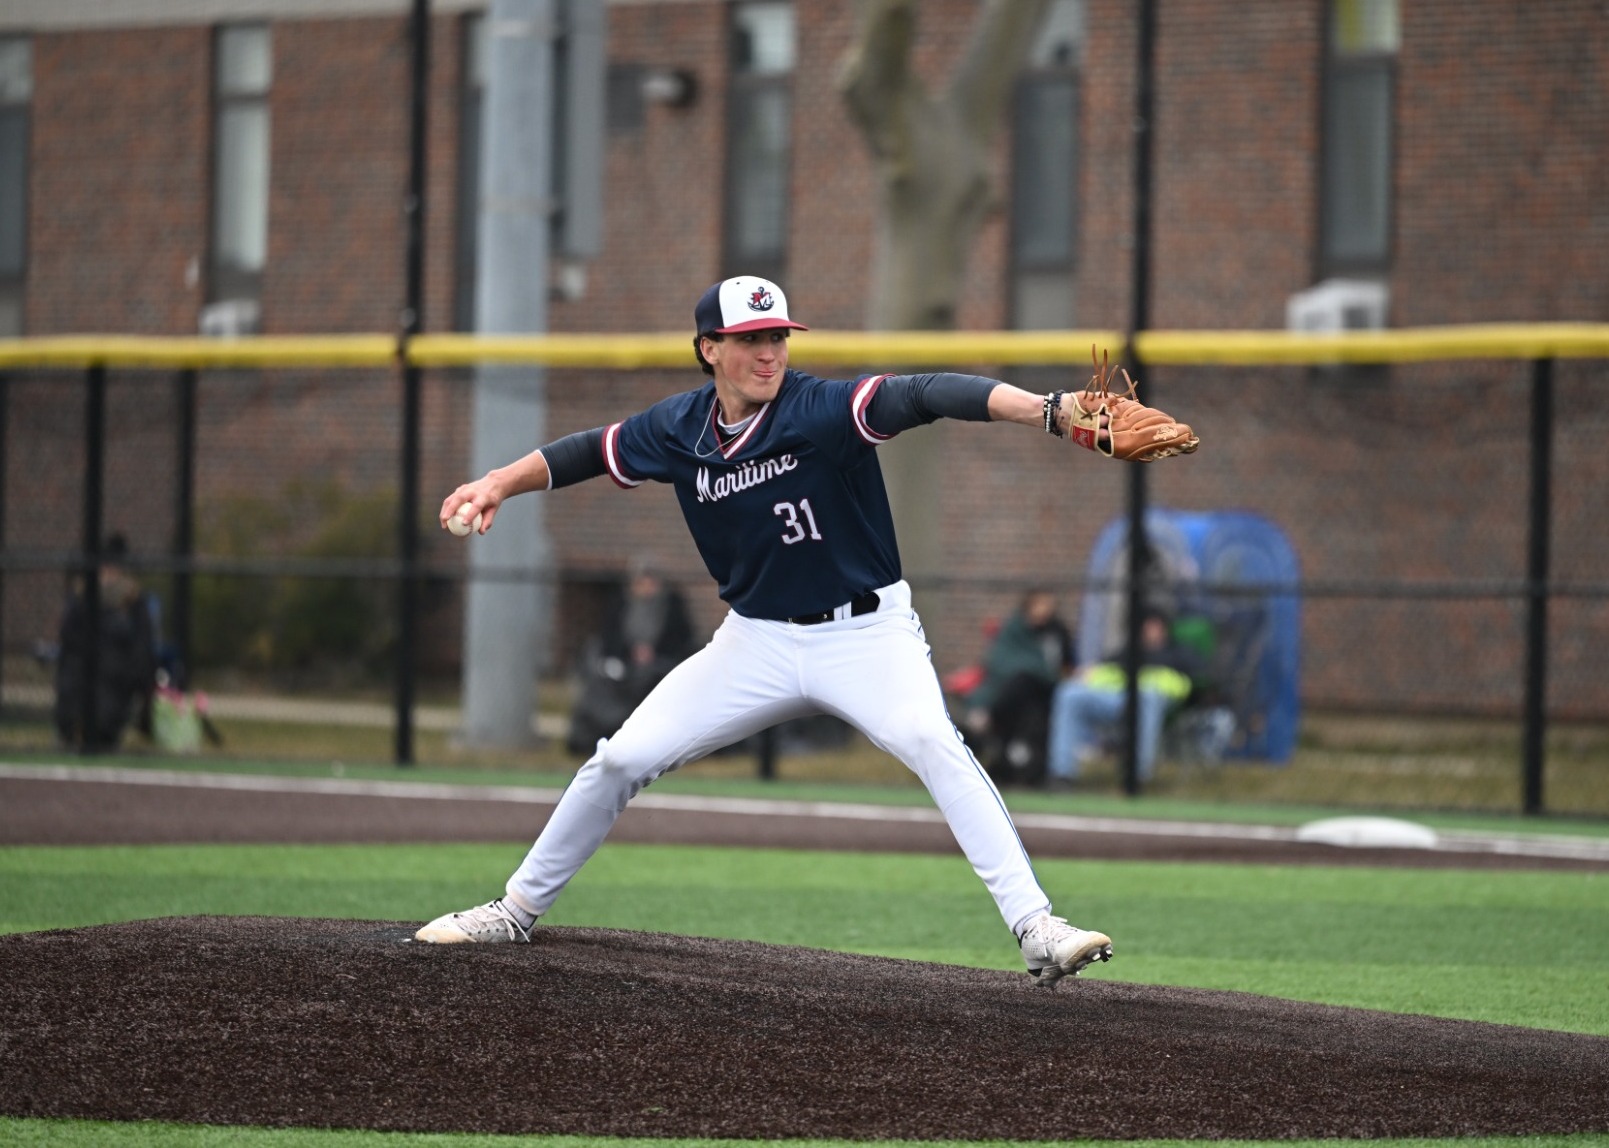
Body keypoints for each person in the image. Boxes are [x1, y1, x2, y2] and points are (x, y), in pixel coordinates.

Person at [416, 275, 1134, 986]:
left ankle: (1037, 926)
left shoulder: (819, 408)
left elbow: (926, 393)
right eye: (750, 339)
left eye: (778, 337)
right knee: (618, 759)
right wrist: (499, 483)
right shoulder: (678, 429)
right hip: (754, 640)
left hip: (865, 635)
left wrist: (1044, 410)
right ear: (708, 349)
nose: (769, 353)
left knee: (930, 741)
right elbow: (586, 451)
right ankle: (514, 911)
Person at [1045, 610, 1202, 786]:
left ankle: (1136, 776)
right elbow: (1106, 671)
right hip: (1120, 699)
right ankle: (1061, 774)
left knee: (1147, 696)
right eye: (1148, 625)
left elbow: (1193, 681)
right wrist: (1088, 673)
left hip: (1156, 703)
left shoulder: (1179, 653)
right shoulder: (1128, 651)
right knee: (1069, 693)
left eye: (1157, 625)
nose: (1152, 630)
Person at [566, 562, 697, 755]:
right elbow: (609, 636)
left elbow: (682, 638)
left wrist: (653, 652)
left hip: (660, 665)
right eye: (641, 582)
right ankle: (600, 736)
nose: (646, 588)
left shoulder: (672, 606)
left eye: (650, 583)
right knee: (602, 685)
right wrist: (629, 652)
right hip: (624, 665)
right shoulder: (620, 604)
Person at [52, 533, 158, 751]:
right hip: (83, 671)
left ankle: (100, 732)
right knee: (75, 683)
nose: (108, 575)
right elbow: (68, 637)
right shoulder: (82, 597)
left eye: (113, 569)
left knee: (105, 709)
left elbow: (142, 647)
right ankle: (73, 730)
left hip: (114, 676)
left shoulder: (134, 601)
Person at [959, 588, 1073, 787]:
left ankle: (987, 720)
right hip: (1016, 698)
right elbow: (1000, 662)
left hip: (1045, 694)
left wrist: (1050, 675)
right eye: (1039, 604)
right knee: (1020, 684)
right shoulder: (1015, 629)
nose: (1043, 610)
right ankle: (985, 722)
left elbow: (1065, 665)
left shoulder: (1057, 632)